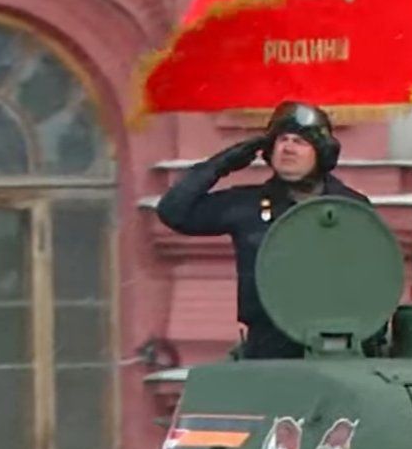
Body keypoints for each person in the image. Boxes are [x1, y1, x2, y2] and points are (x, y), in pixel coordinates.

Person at [155, 100, 369, 359]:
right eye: (281, 140)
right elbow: (174, 212)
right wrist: (220, 165)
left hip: (336, 347)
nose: (288, 148)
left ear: (321, 152)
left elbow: (373, 275)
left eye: (299, 142)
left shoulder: (351, 208)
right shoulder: (248, 205)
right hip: (267, 346)